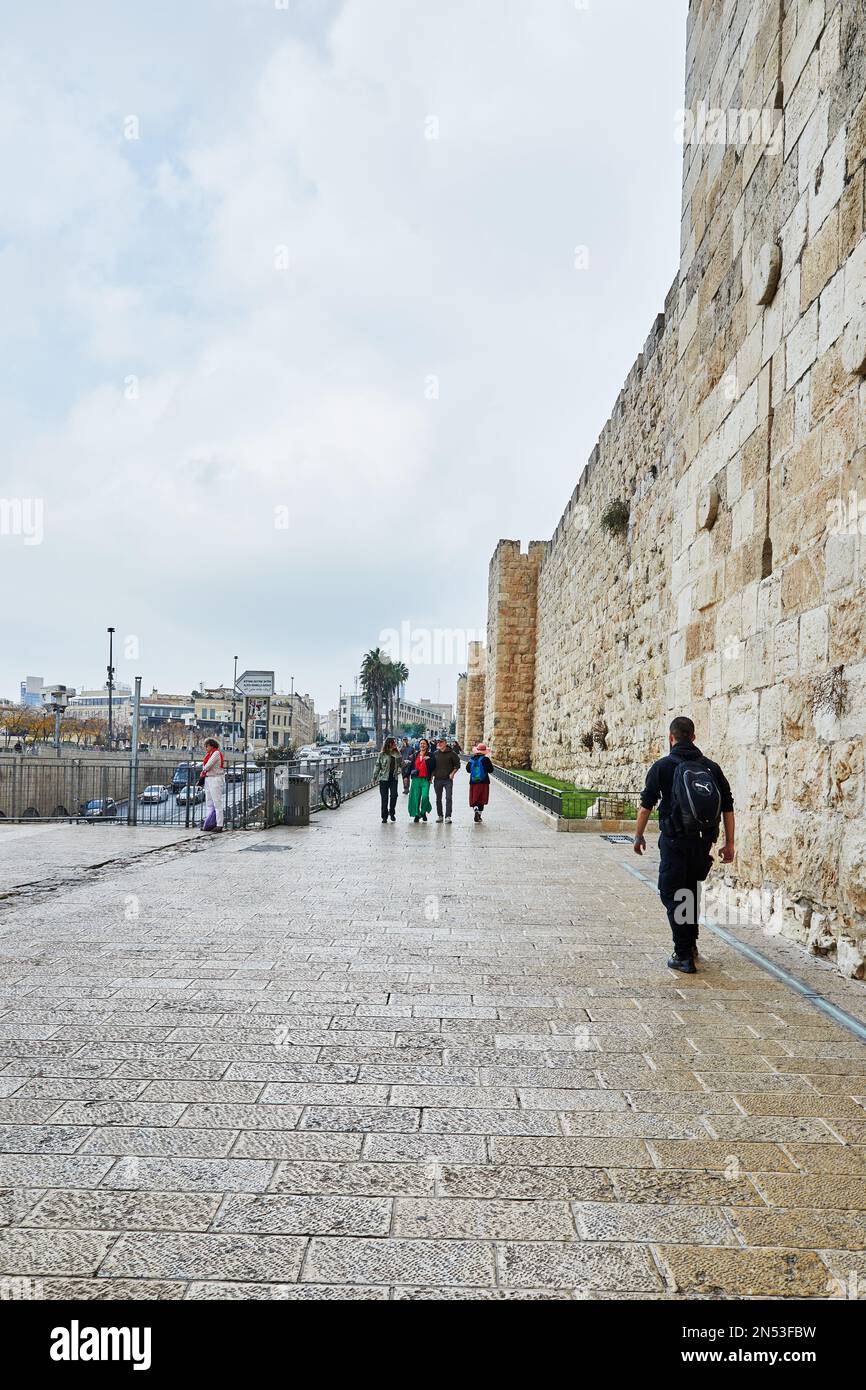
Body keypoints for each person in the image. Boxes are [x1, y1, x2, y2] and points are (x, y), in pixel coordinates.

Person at [634, 715, 734, 975]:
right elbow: (728, 806)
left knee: (671, 893)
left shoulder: (663, 766)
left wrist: (638, 835)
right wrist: (729, 843)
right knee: (689, 891)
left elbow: (646, 805)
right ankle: (690, 945)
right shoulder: (711, 767)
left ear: (671, 737)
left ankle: (682, 954)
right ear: (693, 737)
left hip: (674, 841)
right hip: (702, 843)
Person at [430, 735, 460, 823]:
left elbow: (457, 765)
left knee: (448, 798)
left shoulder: (452, 753)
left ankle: (448, 816)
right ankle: (440, 816)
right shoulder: (435, 753)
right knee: (438, 798)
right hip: (437, 779)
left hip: (448, 780)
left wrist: (453, 773)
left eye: (441, 742)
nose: (439, 743)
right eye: (438, 742)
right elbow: (432, 767)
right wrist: (431, 777)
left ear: (445, 743)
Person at [200, 737, 226, 832]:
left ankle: (219, 824)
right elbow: (205, 767)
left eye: (206, 746)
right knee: (209, 803)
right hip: (208, 779)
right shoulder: (210, 754)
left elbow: (207, 766)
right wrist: (205, 769)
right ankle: (209, 823)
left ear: (211, 745)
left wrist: (204, 769)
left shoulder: (216, 753)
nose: (205, 748)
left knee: (217, 802)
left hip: (215, 779)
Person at [373, 737, 401, 823]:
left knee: (394, 795)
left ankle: (392, 812)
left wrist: (408, 763)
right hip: (384, 779)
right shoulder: (382, 754)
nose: (395, 744)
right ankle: (384, 817)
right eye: (393, 743)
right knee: (384, 799)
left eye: (395, 743)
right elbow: (377, 765)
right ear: (388, 744)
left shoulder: (397, 753)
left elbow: (401, 764)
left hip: (393, 778)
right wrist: (374, 777)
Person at [408, 738, 435, 822]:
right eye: (421, 744)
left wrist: (429, 760)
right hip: (416, 779)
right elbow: (411, 766)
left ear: (427, 745)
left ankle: (423, 811)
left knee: (425, 796)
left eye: (424, 744)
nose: (422, 745)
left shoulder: (431, 755)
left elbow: (434, 766)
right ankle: (417, 814)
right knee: (416, 797)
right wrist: (406, 776)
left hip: (425, 779)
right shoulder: (415, 754)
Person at [466, 742, 493, 822]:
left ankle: (475, 809)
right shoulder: (486, 759)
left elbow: (468, 770)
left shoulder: (472, 759)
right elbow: (491, 770)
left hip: (473, 782)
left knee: (475, 798)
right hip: (484, 782)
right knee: (482, 798)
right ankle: (479, 815)